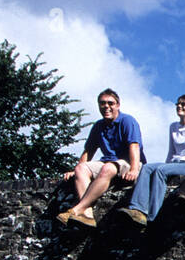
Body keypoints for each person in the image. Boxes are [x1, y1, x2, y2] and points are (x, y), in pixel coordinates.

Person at [57, 88, 144, 227]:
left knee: (108, 168)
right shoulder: (98, 126)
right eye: (102, 103)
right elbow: (89, 151)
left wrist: (134, 169)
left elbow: (134, 146)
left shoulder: (127, 121)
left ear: (118, 105)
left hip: (128, 161)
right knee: (81, 168)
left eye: (110, 103)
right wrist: (76, 171)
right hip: (108, 162)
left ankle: (77, 208)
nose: (106, 107)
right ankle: (87, 214)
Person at [119, 94, 185, 227]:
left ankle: (153, 216)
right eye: (177, 104)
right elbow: (171, 151)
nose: (179, 106)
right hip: (174, 163)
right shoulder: (173, 126)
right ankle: (137, 209)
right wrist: (168, 164)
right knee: (147, 167)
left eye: (183, 104)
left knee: (161, 170)